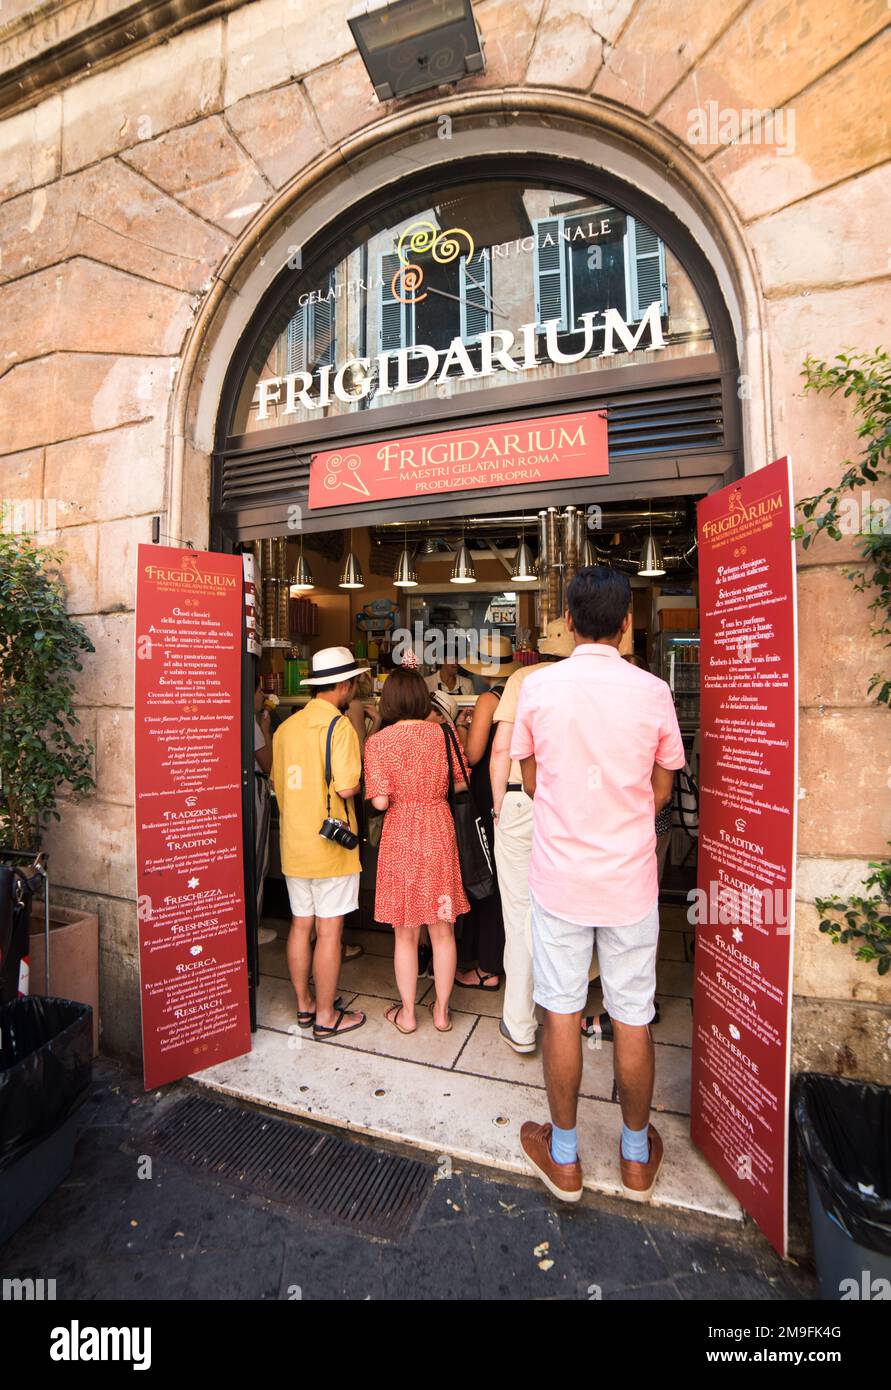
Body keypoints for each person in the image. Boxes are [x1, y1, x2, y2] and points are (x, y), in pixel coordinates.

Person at [511, 567, 685, 1204]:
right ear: (627, 623)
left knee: (560, 1010)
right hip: (630, 884)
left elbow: (531, 782)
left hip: (560, 880)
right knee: (632, 1015)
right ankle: (636, 1158)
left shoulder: (539, 689)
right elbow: (663, 788)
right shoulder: (653, 692)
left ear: (566, 620)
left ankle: (563, 1158)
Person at [363, 668, 471, 1035]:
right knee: (443, 931)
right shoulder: (443, 733)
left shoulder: (378, 742)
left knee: (405, 933)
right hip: (438, 828)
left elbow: (378, 802)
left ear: (389, 701)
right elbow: (461, 782)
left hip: (401, 833)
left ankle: (408, 1014)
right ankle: (442, 1012)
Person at [271, 646, 369, 1041]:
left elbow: (278, 783)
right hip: (331, 848)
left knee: (300, 926)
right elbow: (347, 786)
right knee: (330, 932)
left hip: (294, 844)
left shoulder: (286, 728)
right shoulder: (340, 727)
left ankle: (305, 1005)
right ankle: (328, 1016)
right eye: (353, 683)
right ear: (343, 685)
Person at [488, 619, 575, 1053]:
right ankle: (562, 1016)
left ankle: (521, 1025)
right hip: (572, 807)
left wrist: (499, 805)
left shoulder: (524, 678)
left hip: (523, 800)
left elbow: (502, 749)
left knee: (519, 914)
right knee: (564, 914)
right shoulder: (587, 679)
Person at [452, 634, 519, 992]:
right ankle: (503, 958)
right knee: (509, 879)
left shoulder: (488, 699)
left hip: (486, 795)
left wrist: (461, 727)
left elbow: (473, 755)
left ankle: (488, 966)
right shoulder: (523, 690)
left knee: (485, 878)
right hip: (517, 792)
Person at [252, 677, 277, 948]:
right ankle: (253, 926)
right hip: (255, 788)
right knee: (257, 858)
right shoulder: (252, 723)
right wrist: (266, 728)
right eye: (259, 691)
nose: (262, 696)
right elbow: (268, 762)